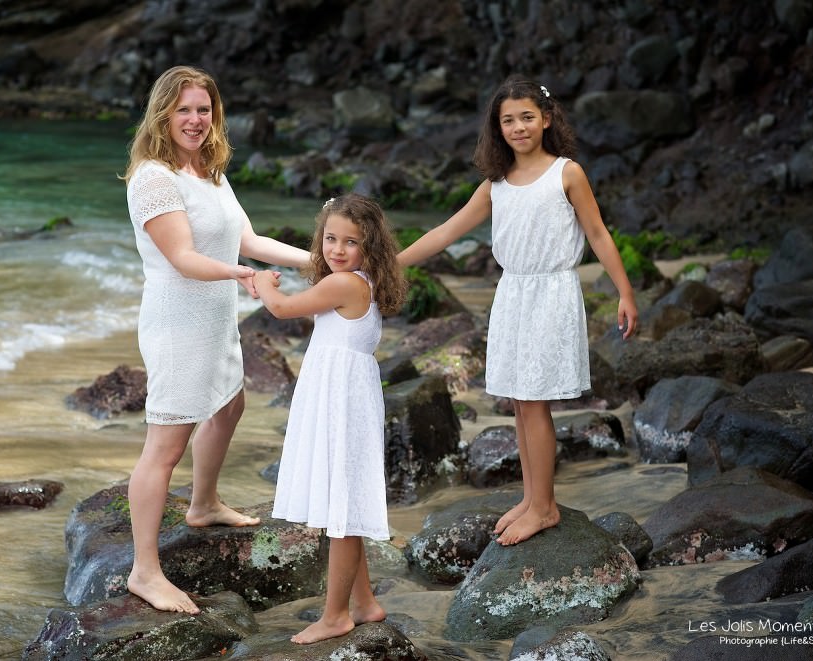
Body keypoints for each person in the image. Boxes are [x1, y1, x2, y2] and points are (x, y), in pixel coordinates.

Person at [397, 78, 638, 546]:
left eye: (527, 116)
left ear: (546, 118)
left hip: (551, 292)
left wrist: (625, 292)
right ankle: (532, 498)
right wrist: (390, 263)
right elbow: (447, 231)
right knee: (520, 403)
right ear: (497, 128)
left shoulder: (567, 173)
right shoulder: (497, 184)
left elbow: (599, 234)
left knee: (535, 402)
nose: (518, 127)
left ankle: (545, 508)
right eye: (508, 120)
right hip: (513, 294)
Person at [122, 65, 310, 614]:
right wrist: (243, 276)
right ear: (163, 114)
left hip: (214, 314)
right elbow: (181, 258)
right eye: (184, 109)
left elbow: (246, 238)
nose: (196, 119)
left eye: (204, 109)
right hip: (178, 320)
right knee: (165, 447)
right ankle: (144, 571)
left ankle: (203, 505)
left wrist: (314, 261)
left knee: (229, 406)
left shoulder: (208, 171)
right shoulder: (154, 177)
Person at [253, 194, 408, 644]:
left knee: (342, 509)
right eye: (330, 239)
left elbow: (281, 308)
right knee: (347, 503)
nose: (337, 249)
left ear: (371, 247)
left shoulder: (345, 285)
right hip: (345, 395)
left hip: (341, 400)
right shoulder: (359, 281)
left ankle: (336, 614)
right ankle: (364, 603)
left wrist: (263, 281)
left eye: (351, 242)